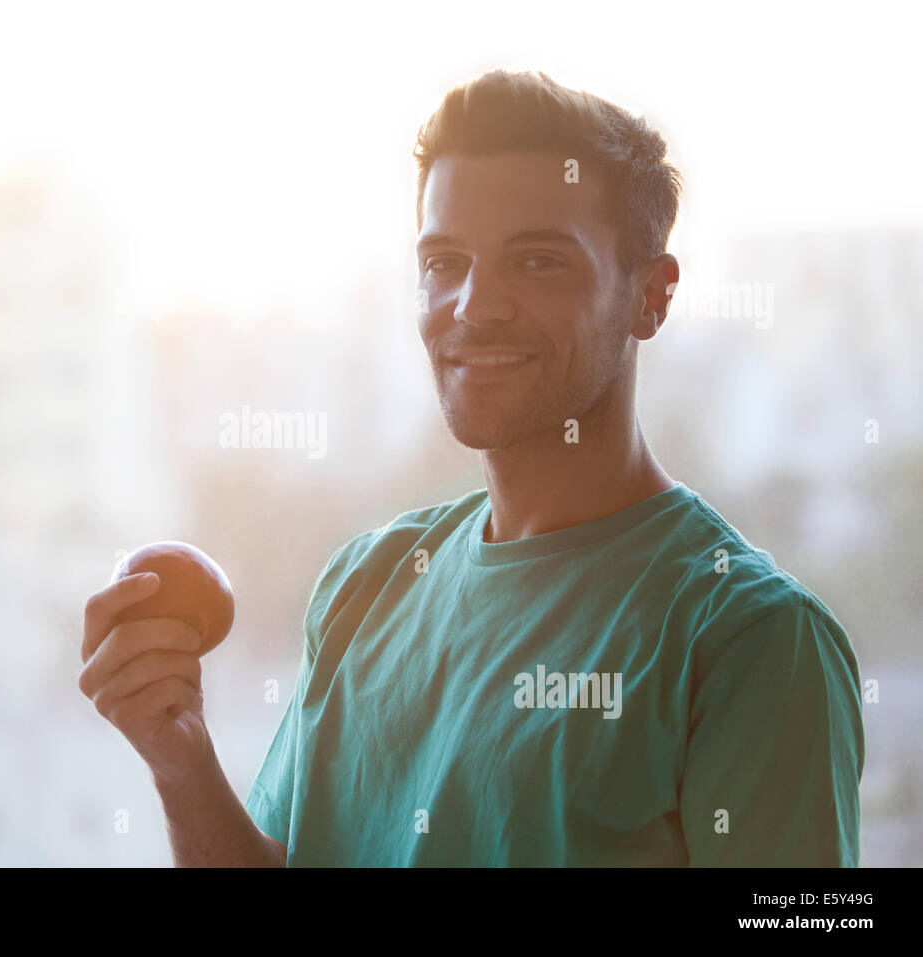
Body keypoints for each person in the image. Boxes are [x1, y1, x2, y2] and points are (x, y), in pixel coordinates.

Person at [78, 69, 864, 866]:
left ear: (650, 297)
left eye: (539, 263)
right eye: (445, 262)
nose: (474, 305)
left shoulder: (751, 639)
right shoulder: (367, 582)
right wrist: (181, 763)